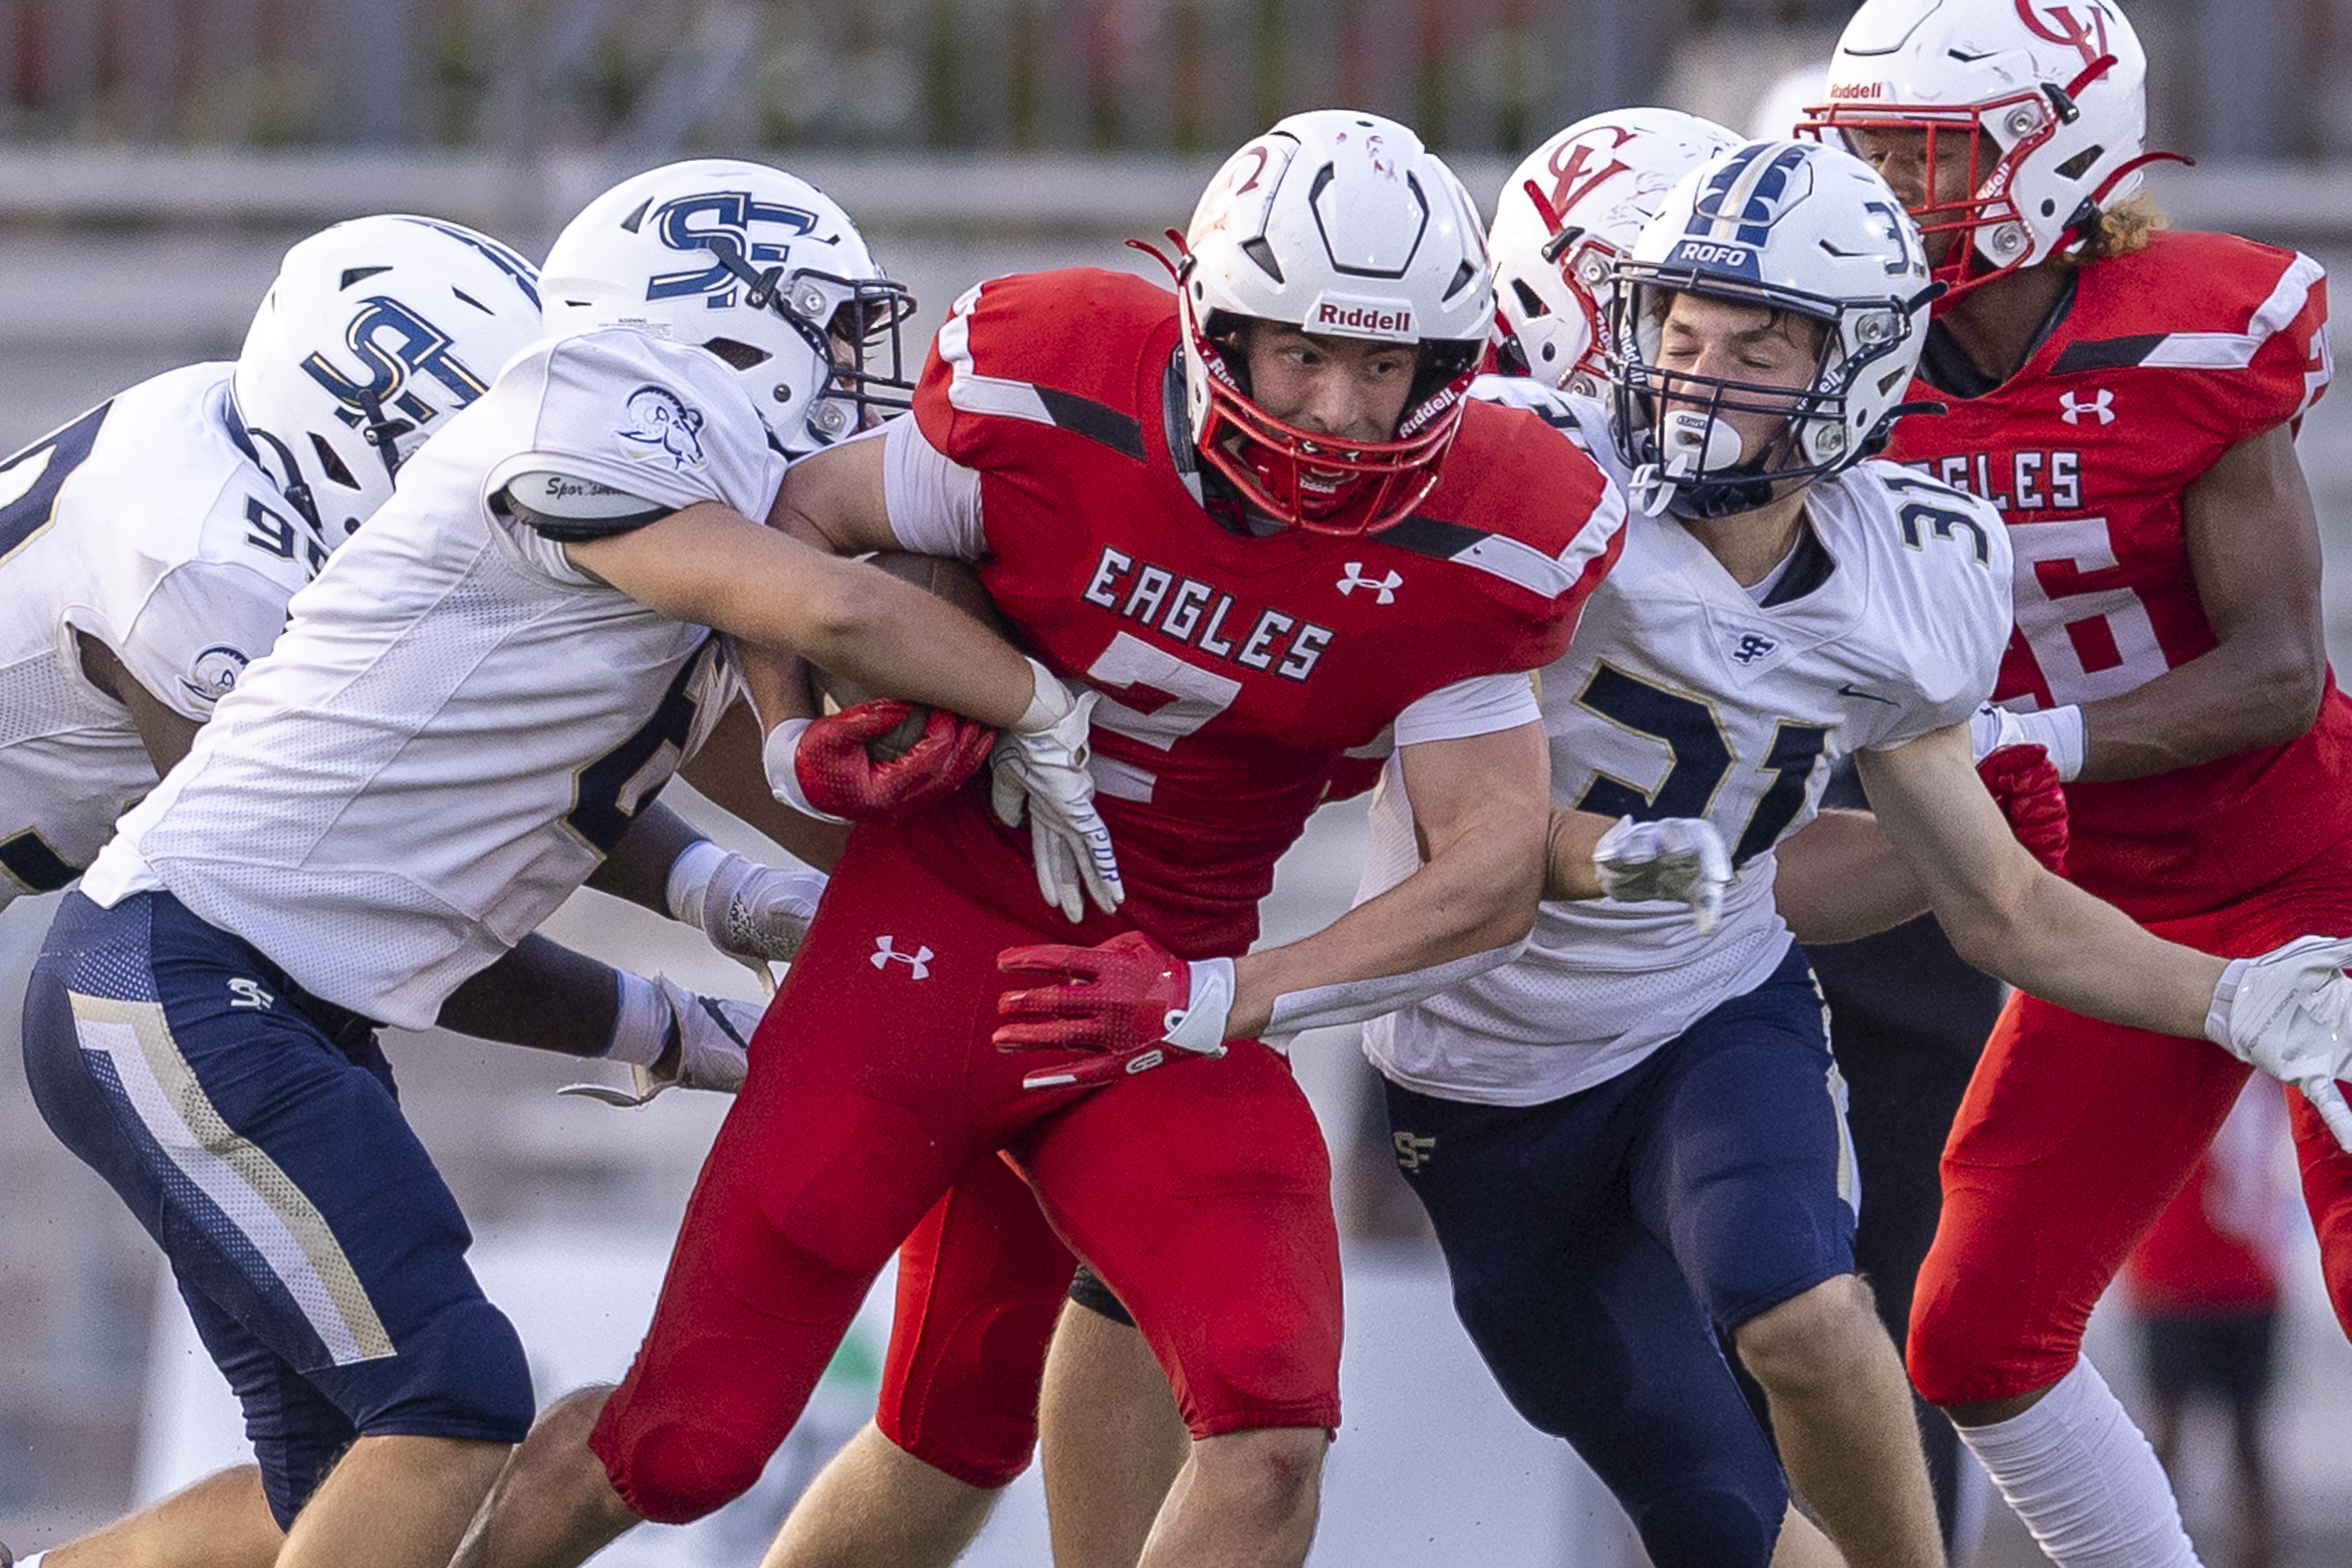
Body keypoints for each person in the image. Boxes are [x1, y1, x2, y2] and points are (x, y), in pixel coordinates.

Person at [450, 110, 1632, 1568]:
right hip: (924, 949)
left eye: (1383, 364)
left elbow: (1490, 863)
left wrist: (1225, 993)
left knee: (1266, 1433)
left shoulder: (1492, 532)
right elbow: (803, 522)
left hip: (1157, 992)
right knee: (686, 1445)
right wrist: (798, 718)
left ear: (1445, 368)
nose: (1337, 407)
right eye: (1303, 354)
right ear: (1218, 326)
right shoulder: (1058, 380)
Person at [18, 160, 1098, 1568]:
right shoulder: (603, 422)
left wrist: (961, 899)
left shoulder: (663, 530)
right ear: (720, 329)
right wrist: (1035, 704)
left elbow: (737, 752)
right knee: (452, 1395)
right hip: (184, 979)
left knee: (348, 1483)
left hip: (248, 995)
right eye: (832, 337)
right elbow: (832, 604)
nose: (850, 378)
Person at [0, 211, 809, 1568]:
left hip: (127, 923)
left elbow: (474, 759)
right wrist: (674, 1023)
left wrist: (721, 893)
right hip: (155, 950)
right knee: (432, 1413)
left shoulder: (233, 449)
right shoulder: (210, 566)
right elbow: (350, 879)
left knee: (335, 1487)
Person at [1803, 2, 2352, 1563]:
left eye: (1929, 153)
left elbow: (2274, 675)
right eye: (1869, 153)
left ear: (2063, 149)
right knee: (1972, 1335)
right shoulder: (1849, 368)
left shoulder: (2189, 328)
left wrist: (2021, 750)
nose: (1894, 193)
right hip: (2092, 914)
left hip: (2310, 876)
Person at [1488, 103, 2017, 1560]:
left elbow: (1822, 873)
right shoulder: (1505, 469)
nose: (1692, 374)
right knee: (1704, 1479)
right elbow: (1469, 840)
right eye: (1674, 325)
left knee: (1820, 1306)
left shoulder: (1892, 555)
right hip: (1489, 1041)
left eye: (1754, 334)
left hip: (1716, 986)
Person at [2123, 1083, 2294, 1568]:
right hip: (2227, 1269)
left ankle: (2142, 1554)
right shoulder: (2266, 1060)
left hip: (2187, 1270)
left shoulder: (2168, 1048)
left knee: (2173, 1440)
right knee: (2238, 1440)